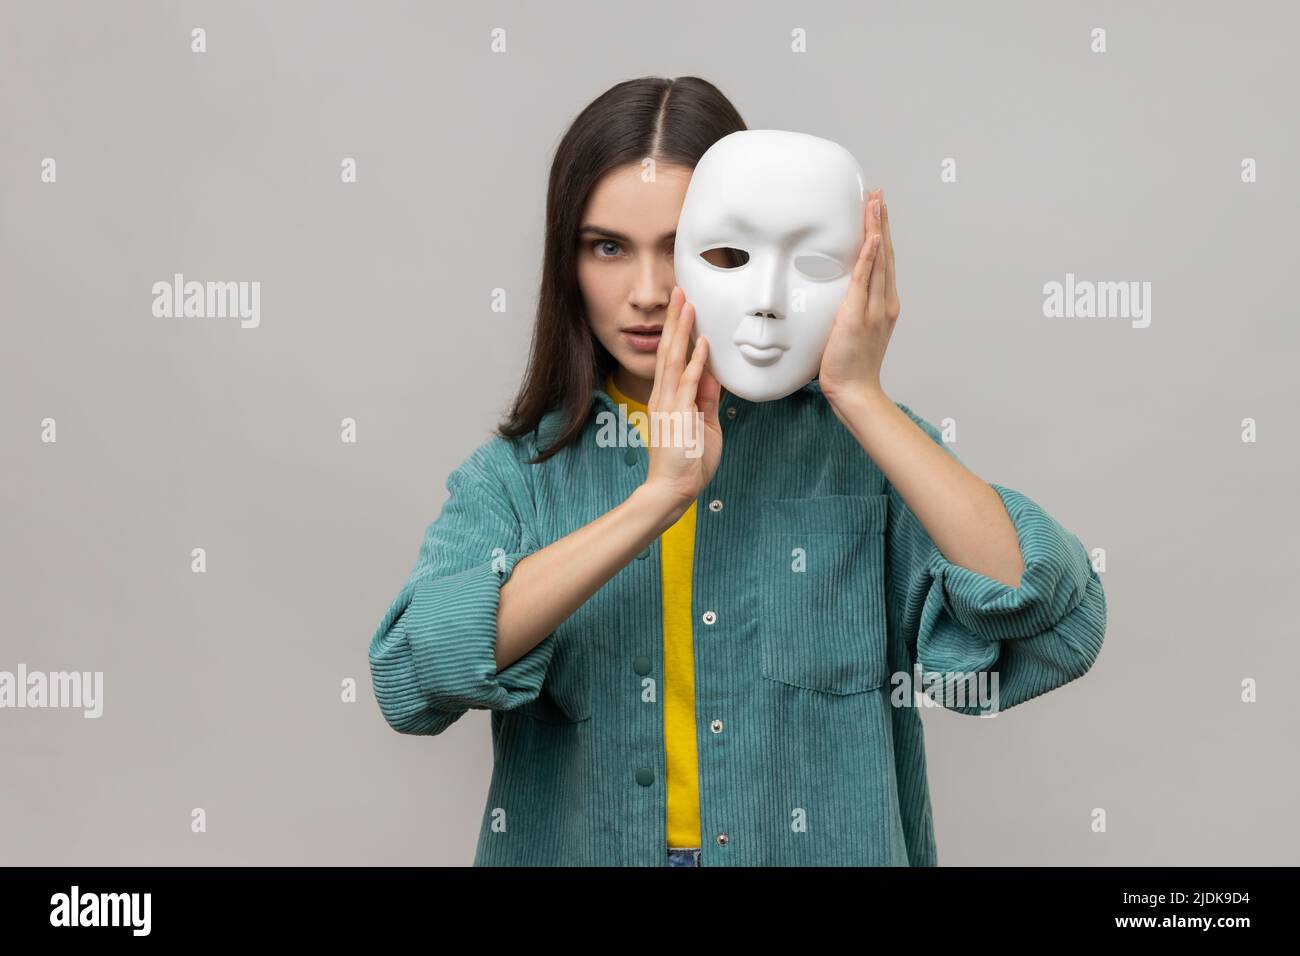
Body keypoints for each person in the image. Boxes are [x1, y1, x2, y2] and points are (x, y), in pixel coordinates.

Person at [367, 76, 1107, 867]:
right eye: (607, 246)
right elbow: (417, 676)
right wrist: (656, 499)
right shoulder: (517, 476)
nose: (647, 293)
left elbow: (1053, 622)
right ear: (567, 259)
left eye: (687, 245)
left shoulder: (861, 455)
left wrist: (858, 394)